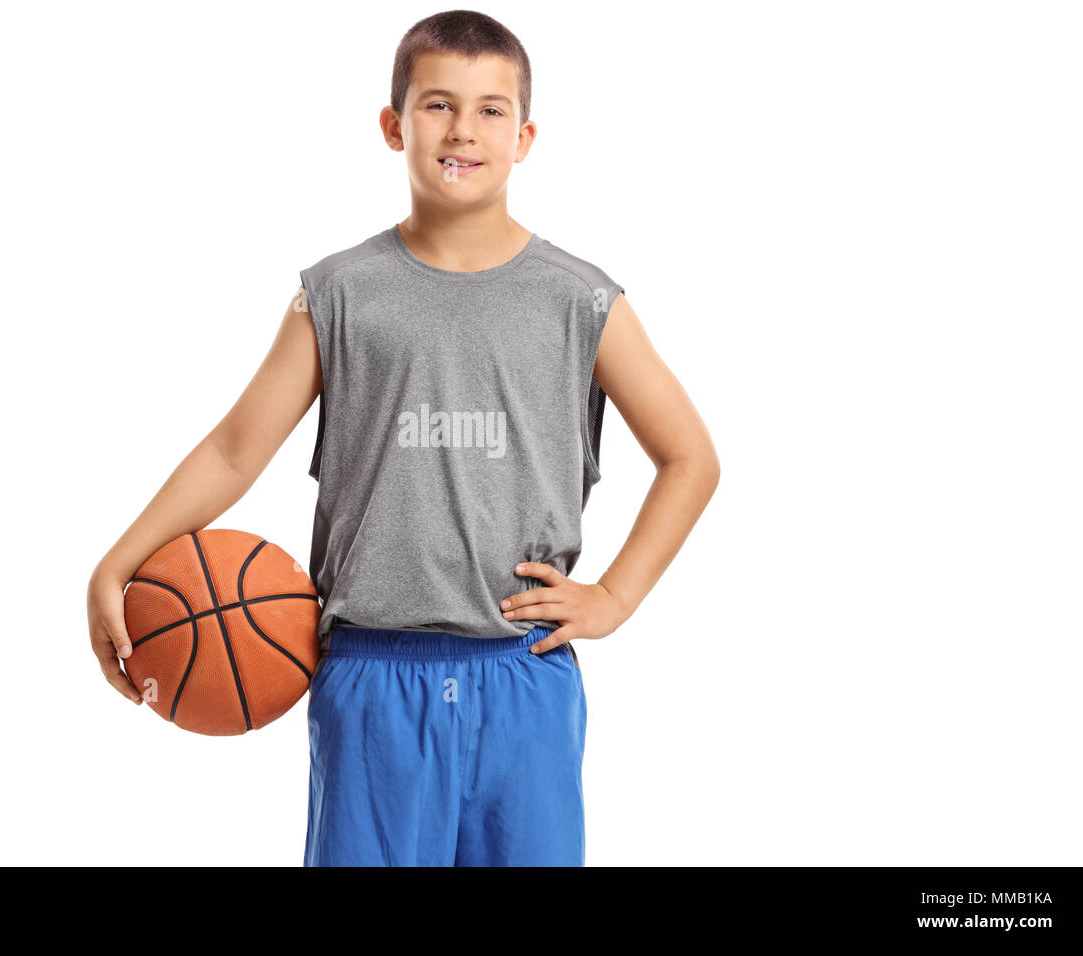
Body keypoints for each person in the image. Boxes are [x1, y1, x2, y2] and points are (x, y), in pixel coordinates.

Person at [86, 10, 720, 866]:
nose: (463, 130)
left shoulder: (582, 300)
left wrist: (615, 596)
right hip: (370, 677)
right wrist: (119, 561)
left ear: (525, 137)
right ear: (394, 125)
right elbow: (236, 449)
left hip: (523, 673)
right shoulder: (337, 293)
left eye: (491, 110)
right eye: (438, 105)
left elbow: (690, 458)